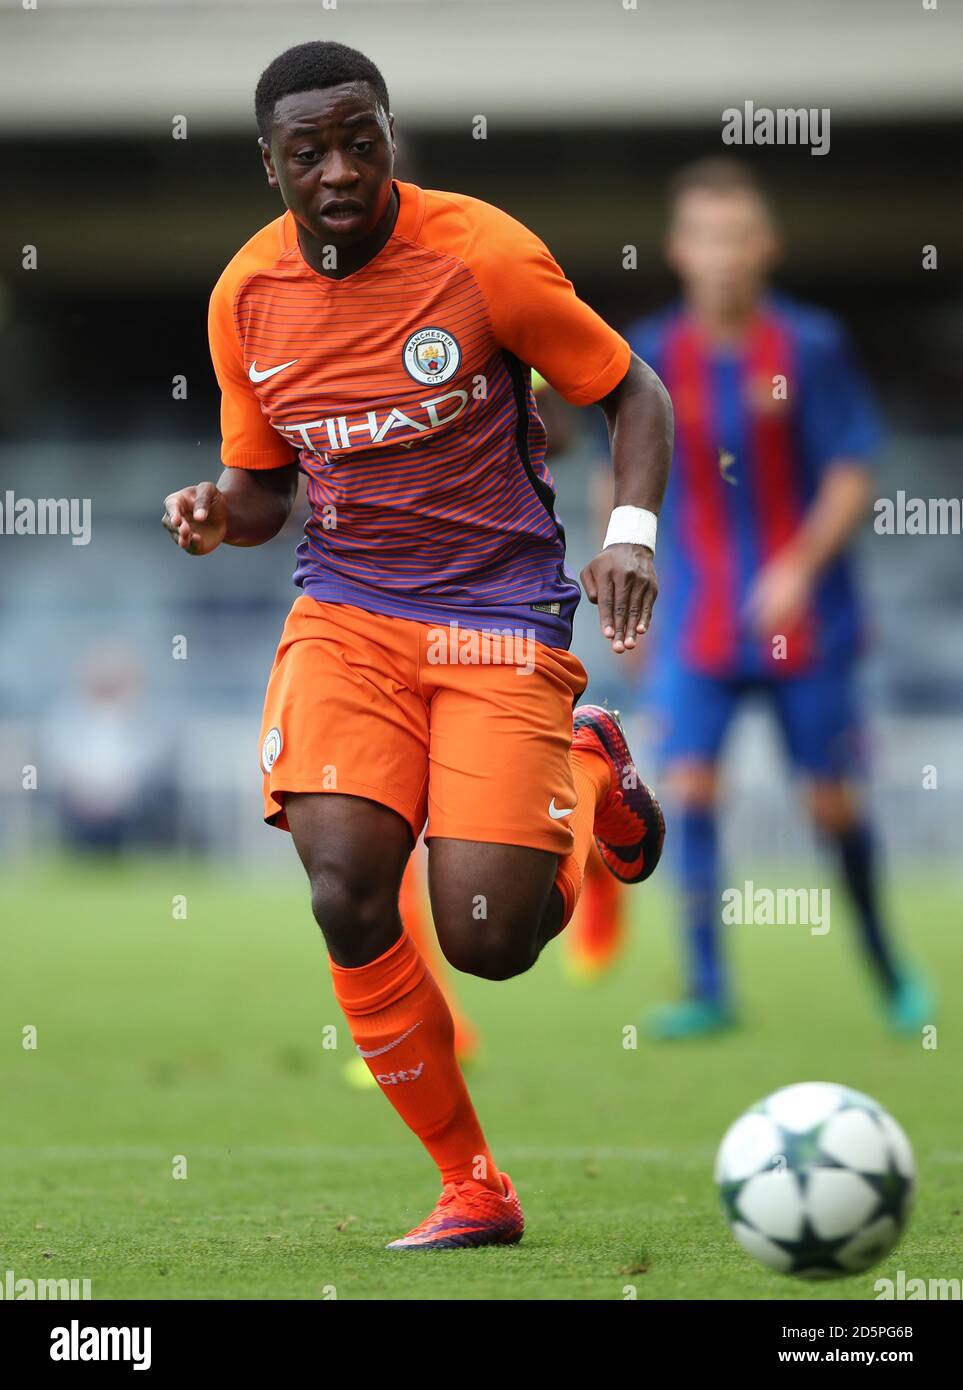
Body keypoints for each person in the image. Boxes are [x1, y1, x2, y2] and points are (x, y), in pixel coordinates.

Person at [163, 40, 668, 1248]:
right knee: (344, 891)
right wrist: (217, 513)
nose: (339, 170)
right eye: (310, 152)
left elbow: (631, 391)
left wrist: (632, 537)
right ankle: (472, 1187)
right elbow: (264, 487)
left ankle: (590, 763)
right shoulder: (245, 296)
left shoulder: (483, 255)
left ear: (391, 137)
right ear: (272, 165)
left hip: (496, 613)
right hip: (347, 614)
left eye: (361, 141)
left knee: (489, 939)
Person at [620, 156, 932, 1040]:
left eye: (737, 236)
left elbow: (850, 469)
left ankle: (887, 969)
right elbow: (622, 476)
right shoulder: (650, 353)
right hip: (697, 616)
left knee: (830, 802)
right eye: (705, 237)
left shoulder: (809, 346)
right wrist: (628, 589)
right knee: (688, 789)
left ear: (766, 246)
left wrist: (794, 567)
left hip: (808, 620)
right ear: (679, 249)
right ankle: (707, 988)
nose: (722, 254)